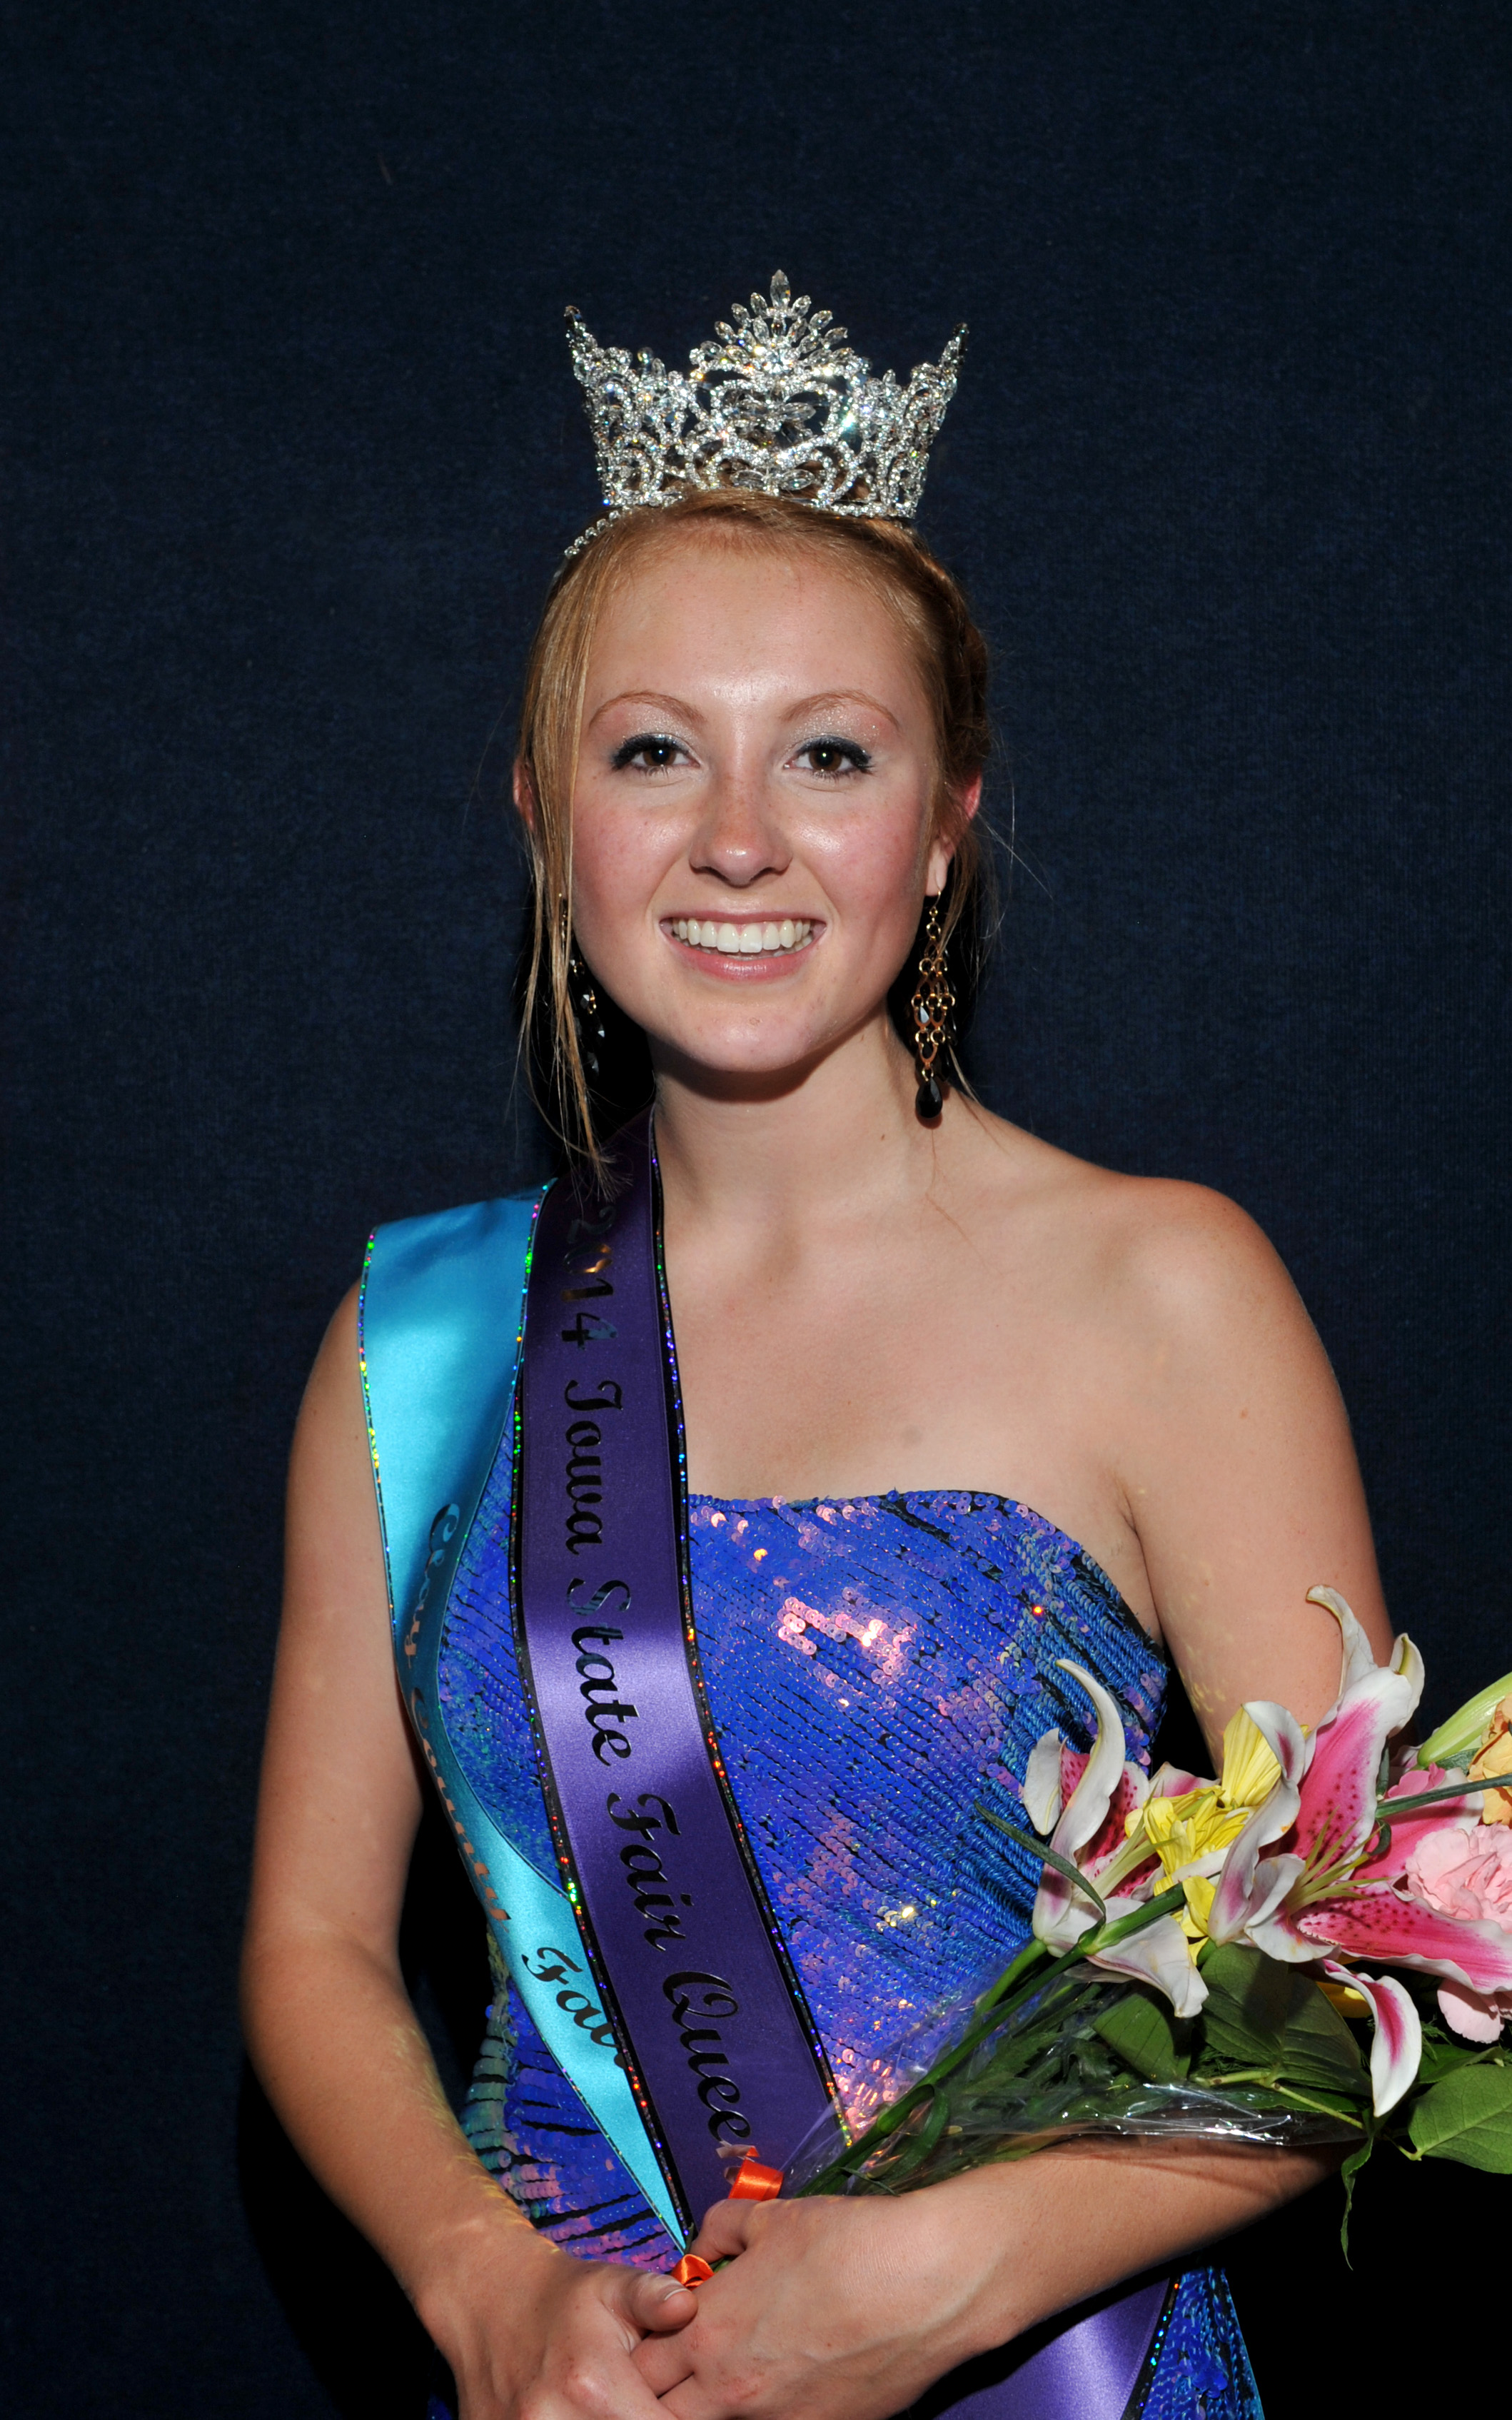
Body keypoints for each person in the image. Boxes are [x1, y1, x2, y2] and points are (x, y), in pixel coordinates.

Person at [242, 278, 1391, 2420]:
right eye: (655, 748)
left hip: (1052, 2373)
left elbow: (1357, 1961)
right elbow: (316, 1951)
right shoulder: (421, 1340)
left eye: (831, 755)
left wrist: (952, 2280)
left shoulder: (1166, 1291)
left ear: (946, 828)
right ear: (539, 815)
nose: (741, 837)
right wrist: (481, 2292)